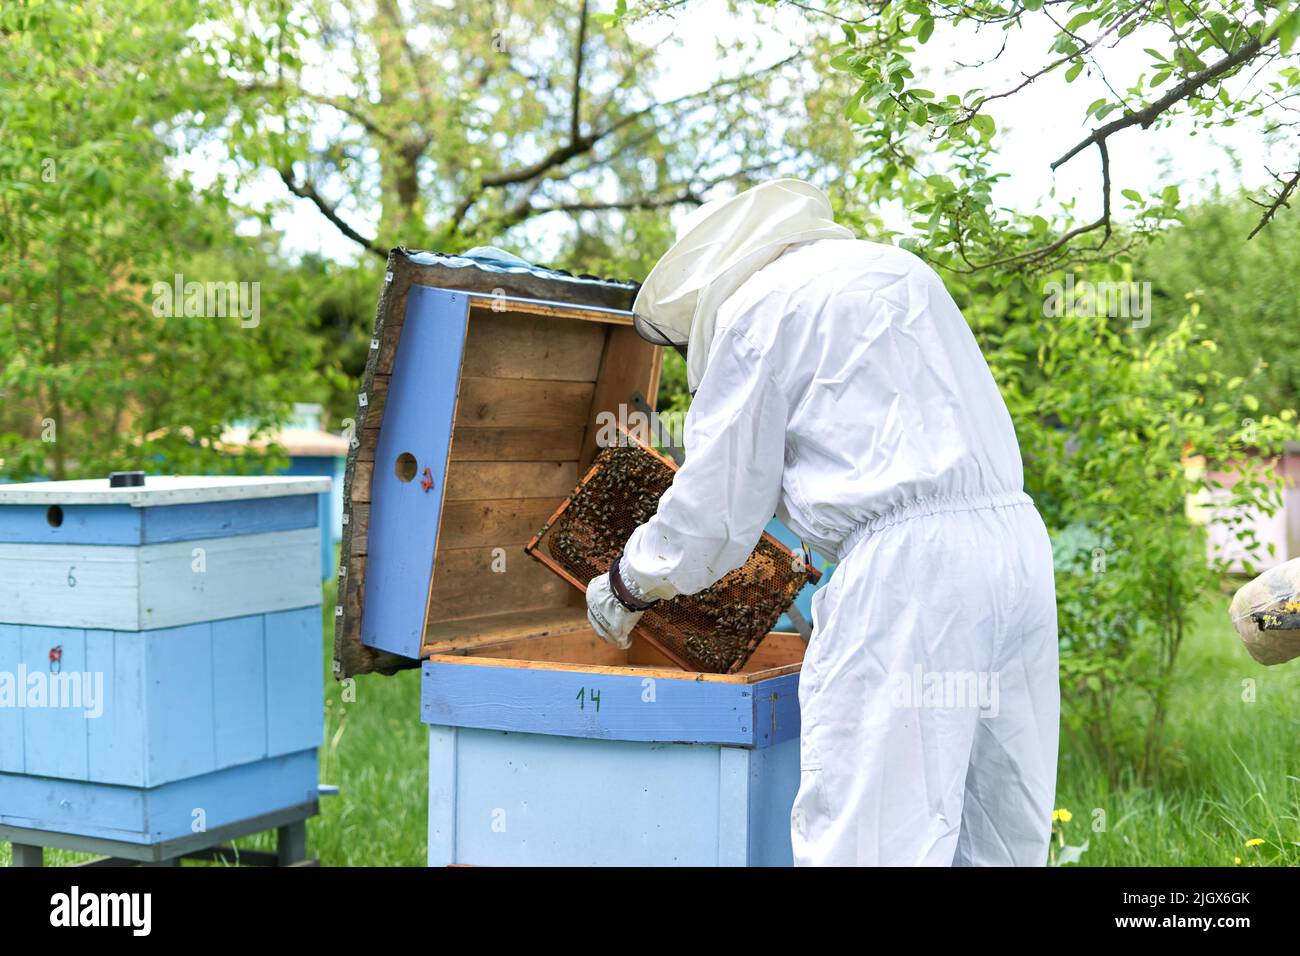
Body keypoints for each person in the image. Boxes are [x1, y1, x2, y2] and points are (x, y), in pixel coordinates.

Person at [585, 178, 1059, 867]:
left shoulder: (755, 311)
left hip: (909, 579)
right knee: (996, 833)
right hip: (1014, 548)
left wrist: (630, 582)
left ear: (711, 282)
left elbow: (714, 514)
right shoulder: (901, 270)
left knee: (867, 842)